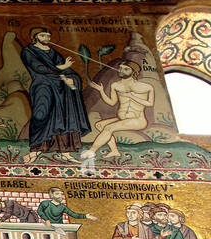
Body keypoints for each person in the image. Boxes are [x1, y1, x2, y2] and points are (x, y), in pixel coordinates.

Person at [21, 28, 90, 163]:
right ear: (34, 37)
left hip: (60, 87)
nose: (47, 38)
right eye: (43, 35)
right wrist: (62, 68)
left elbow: (68, 70)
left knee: (63, 117)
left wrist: (72, 79)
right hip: (42, 86)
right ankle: (36, 150)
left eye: (48, 35)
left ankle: (66, 152)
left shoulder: (53, 53)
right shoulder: (28, 51)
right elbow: (39, 68)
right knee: (41, 115)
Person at [81, 61, 154, 162]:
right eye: (120, 68)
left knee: (109, 128)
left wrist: (131, 96)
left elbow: (150, 103)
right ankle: (115, 151)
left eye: (126, 69)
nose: (121, 70)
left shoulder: (146, 87)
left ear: (134, 71)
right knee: (99, 125)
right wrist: (101, 91)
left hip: (137, 119)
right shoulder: (115, 85)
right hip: (122, 118)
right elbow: (112, 102)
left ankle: (92, 151)